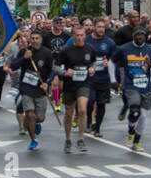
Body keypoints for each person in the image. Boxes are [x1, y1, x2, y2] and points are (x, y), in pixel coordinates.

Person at [10, 30, 56, 151]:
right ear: (30, 39)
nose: (35, 40)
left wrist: (47, 83)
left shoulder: (47, 53)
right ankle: (33, 139)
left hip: (40, 89)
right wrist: (24, 58)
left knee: (40, 118)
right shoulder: (24, 51)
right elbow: (13, 66)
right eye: (33, 38)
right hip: (26, 88)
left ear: (41, 40)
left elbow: (52, 70)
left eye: (37, 38)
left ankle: (36, 122)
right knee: (29, 114)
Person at [114, 27, 151, 152]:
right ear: (133, 36)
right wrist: (113, 79)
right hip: (131, 85)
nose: (140, 37)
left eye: (142, 35)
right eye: (137, 35)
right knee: (135, 111)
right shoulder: (125, 49)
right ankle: (131, 131)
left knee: (143, 116)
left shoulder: (150, 50)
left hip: (145, 86)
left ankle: (136, 141)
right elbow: (114, 62)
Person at [57, 24, 96, 153]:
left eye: (81, 35)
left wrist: (92, 69)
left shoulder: (90, 49)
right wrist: (64, 73)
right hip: (70, 85)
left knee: (82, 110)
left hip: (84, 84)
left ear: (85, 36)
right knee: (69, 112)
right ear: (73, 36)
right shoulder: (66, 50)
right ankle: (68, 139)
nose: (79, 38)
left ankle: (81, 138)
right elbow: (55, 66)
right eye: (77, 35)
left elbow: (93, 63)